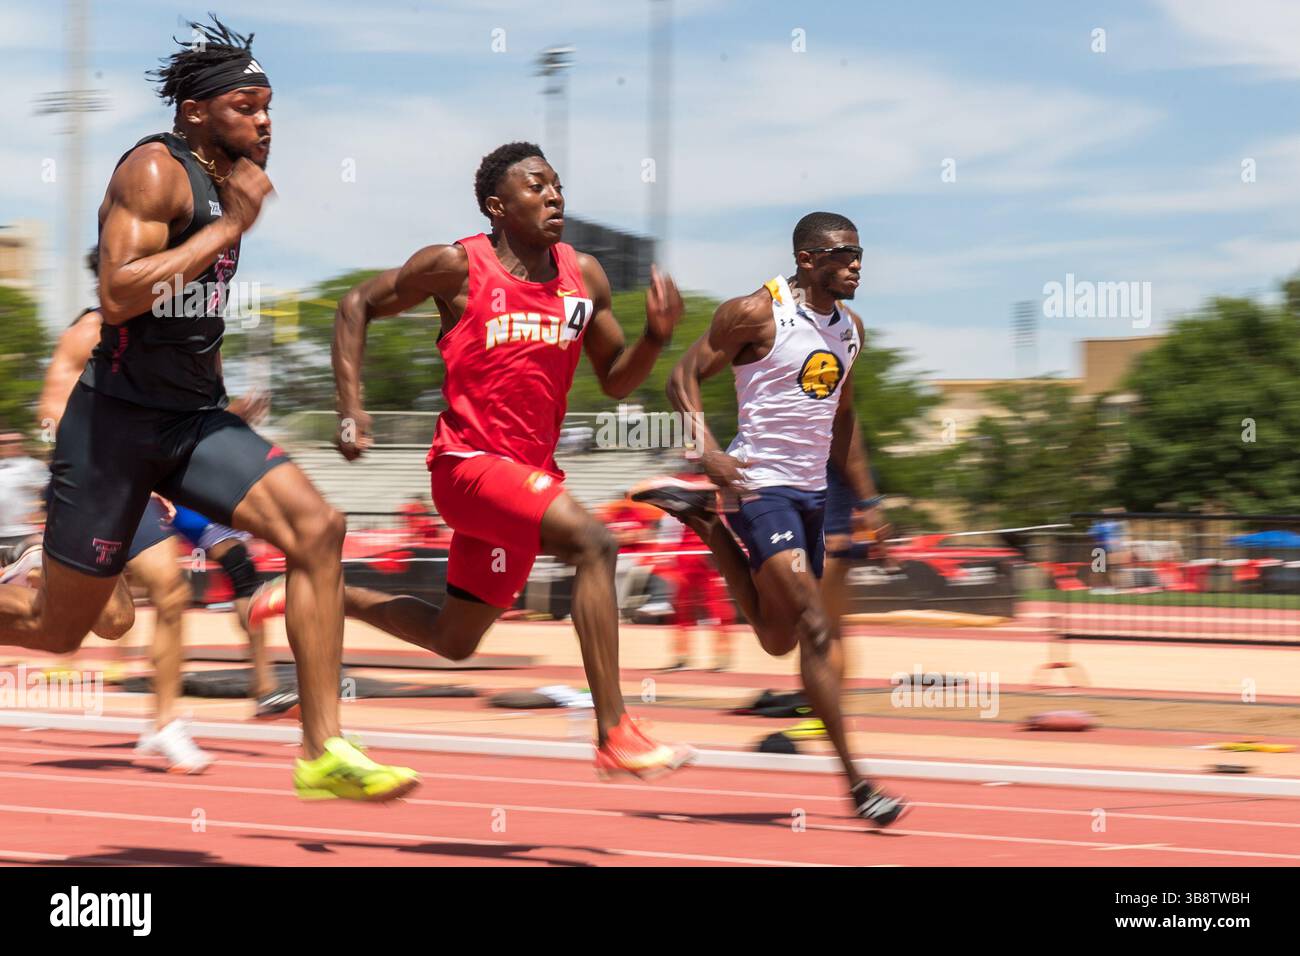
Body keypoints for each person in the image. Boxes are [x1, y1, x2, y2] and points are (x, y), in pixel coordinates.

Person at [0, 16, 416, 800]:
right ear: (195, 111)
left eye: (268, 107)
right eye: (246, 105)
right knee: (61, 629)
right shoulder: (155, 172)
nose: (264, 121)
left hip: (191, 422)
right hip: (112, 431)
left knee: (319, 529)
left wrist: (223, 400)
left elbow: (195, 315)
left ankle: (323, 749)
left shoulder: (231, 177)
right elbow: (120, 296)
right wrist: (231, 224)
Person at [254, 142, 695, 779]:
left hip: (526, 479)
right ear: (497, 205)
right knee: (595, 544)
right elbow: (355, 306)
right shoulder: (456, 267)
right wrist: (351, 408)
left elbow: (618, 382)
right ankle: (614, 731)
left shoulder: (585, 276)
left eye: (558, 186)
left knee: (453, 641)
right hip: (468, 469)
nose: (554, 197)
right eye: (537, 187)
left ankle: (327, 594)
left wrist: (655, 336)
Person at [631, 211, 907, 826]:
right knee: (813, 627)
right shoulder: (755, 313)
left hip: (811, 497)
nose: (857, 263)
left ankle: (706, 525)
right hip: (761, 489)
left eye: (860, 252)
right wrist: (708, 452)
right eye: (843, 253)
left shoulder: (850, 330)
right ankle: (859, 785)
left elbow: (843, 424)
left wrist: (868, 502)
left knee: (777, 639)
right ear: (808, 259)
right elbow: (682, 377)